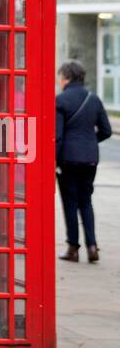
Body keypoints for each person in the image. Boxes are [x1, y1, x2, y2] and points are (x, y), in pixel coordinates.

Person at [56, 60, 112, 263]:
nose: (59, 80)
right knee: (86, 201)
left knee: (70, 202)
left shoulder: (60, 100)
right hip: (90, 159)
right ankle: (92, 245)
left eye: (60, 76)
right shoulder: (94, 99)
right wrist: (89, 142)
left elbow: (59, 136)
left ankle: (73, 247)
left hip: (68, 160)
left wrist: (55, 160)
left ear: (67, 78)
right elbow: (106, 130)